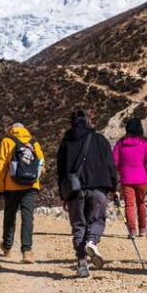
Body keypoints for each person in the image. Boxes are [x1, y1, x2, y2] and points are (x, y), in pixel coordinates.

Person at [57, 110, 118, 278]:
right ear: (88, 121)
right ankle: (92, 241)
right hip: (99, 187)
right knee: (97, 219)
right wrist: (114, 187)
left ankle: (82, 263)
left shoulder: (66, 143)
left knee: (78, 224)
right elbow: (110, 165)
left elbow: (60, 172)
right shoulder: (100, 140)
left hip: (75, 190)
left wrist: (63, 195)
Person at [0, 122, 45, 264]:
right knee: (28, 217)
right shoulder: (33, 142)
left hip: (11, 186)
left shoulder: (7, 141)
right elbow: (42, 164)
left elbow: (0, 166)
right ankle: (27, 251)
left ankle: (7, 247)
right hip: (31, 186)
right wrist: (36, 182)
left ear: (11, 130)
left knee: (10, 215)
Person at [112, 118, 147, 237]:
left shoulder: (121, 143)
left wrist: (120, 170)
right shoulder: (144, 143)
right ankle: (142, 229)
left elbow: (114, 161)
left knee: (129, 204)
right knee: (141, 203)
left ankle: (132, 230)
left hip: (126, 178)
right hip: (142, 178)